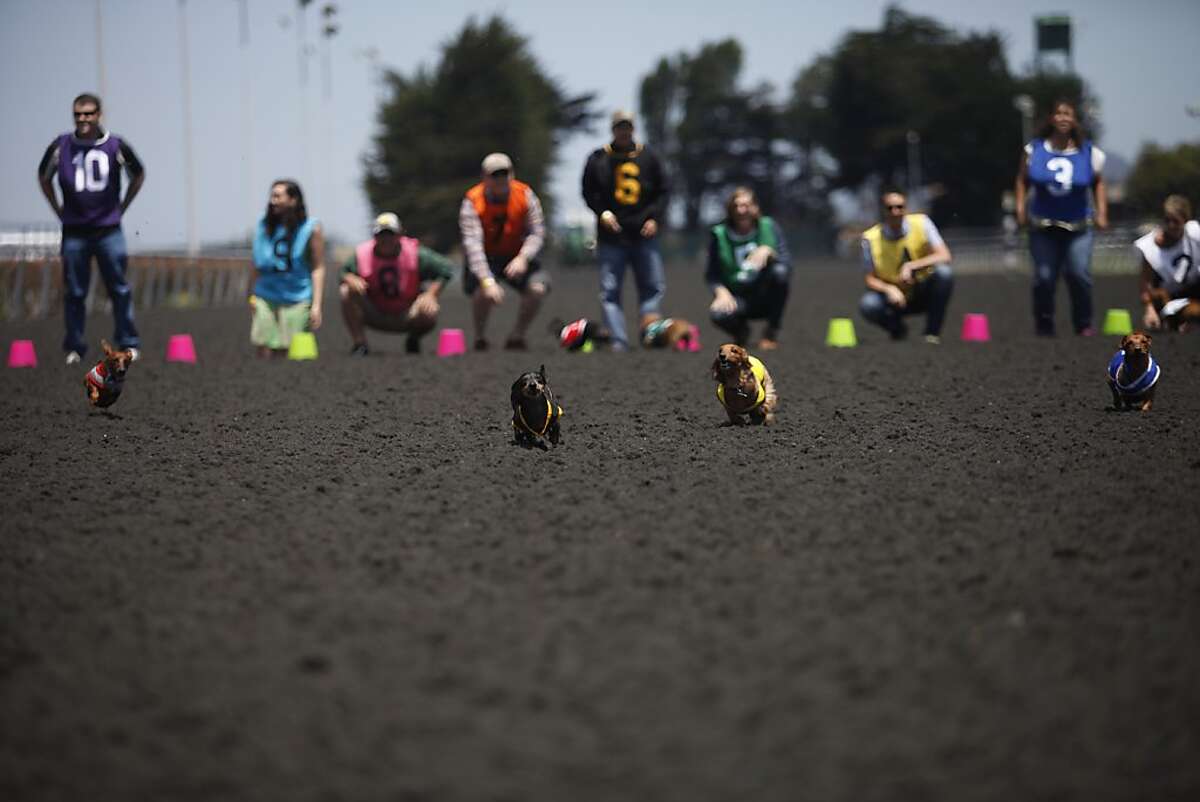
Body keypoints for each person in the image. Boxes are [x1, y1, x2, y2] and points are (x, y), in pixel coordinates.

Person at [38, 93, 145, 365]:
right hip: (75, 232)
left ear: (99, 115)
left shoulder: (115, 145)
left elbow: (138, 174)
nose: (83, 119)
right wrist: (57, 209)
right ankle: (75, 346)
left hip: (109, 230)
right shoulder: (61, 146)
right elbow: (43, 177)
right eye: (78, 114)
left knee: (119, 288)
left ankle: (128, 342)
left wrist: (123, 206)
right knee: (74, 291)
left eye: (88, 113)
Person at [1015, 99, 1108, 336]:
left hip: (1078, 226)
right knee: (1044, 278)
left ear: (1074, 120)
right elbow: (1022, 181)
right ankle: (1044, 324)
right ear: (1051, 118)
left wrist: (1102, 212)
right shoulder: (1033, 150)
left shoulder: (1089, 152)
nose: (1063, 118)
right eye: (1059, 113)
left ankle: (1084, 324)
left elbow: (1098, 183)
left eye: (1068, 114)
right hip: (1043, 226)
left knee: (1079, 273)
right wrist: (1020, 209)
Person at [581, 110, 669, 351]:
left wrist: (655, 218)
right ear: (612, 129)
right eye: (619, 126)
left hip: (644, 234)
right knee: (609, 291)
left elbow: (663, 190)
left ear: (634, 128)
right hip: (612, 237)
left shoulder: (649, 157)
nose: (623, 131)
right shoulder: (598, 158)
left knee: (652, 287)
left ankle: (650, 333)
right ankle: (618, 341)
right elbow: (589, 191)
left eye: (627, 126)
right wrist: (602, 213)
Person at [459, 153, 549, 351]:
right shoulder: (472, 201)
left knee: (538, 289)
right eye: (495, 175)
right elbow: (472, 245)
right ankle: (480, 337)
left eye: (504, 173)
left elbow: (537, 232)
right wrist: (487, 281)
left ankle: (517, 335)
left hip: (516, 255)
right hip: (486, 256)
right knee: (482, 293)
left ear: (512, 174)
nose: (500, 179)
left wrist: (523, 258)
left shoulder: (525, 194)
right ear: (485, 177)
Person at [339, 213, 454, 355]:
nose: (386, 239)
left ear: (399, 235)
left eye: (390, 234)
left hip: (408, 313)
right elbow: (343, 272)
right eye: (381, 235)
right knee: (345, 291)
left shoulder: (416, 254)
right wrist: (350, 278)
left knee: (430, 309)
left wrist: (430, 294)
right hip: (374, 311)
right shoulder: (362, 254)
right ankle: (360, 344)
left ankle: (414, 339)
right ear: (375, 236)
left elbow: (446, 270)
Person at [858, 188, 954, 343]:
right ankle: (898, 330)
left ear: (906, 208)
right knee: (868, 305)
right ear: (883, 211)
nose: (895, 212)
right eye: (890, 208)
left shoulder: (922, 223)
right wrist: (889, 289)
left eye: (900, 207)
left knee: (944, 273)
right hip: (893, 298)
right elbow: (869, 279)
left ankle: (931, 333)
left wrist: (911, 266)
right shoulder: (869, 238)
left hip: (921, 290)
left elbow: (945, 255)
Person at [706, 187, 792, 349]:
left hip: (764, 294)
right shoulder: (719, 234)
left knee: (779, 273)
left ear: (755, 207)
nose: (741, 210)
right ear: (730, 210)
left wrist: (769, 252)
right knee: (718, 313)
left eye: (746, 205)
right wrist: (721, 292)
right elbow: (712, 274)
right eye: (736, 206)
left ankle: (771, 331)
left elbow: (787, 265)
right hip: (738, 297)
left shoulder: (769, 227)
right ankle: (741, 332)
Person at [249, 180, 326, 358]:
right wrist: (251, 294)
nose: (272, 201)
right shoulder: (263, 225)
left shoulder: (311, 228)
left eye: (278, 196)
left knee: (290, 351)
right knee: (264, 346)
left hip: (297, 297)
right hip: (266, 295)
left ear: (293, 200)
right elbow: (255, 262)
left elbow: (318, 267)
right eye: (271, 196)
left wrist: (316, 305)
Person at [1135, 194, 1200, 332]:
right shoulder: (1149, 246)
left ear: (1185, 220)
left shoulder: (1195, 233)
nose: (1171, 226)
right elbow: (1145, 283)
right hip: (1167, 298)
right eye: (1167, 220)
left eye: (1176, 221)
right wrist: (1149, 309)